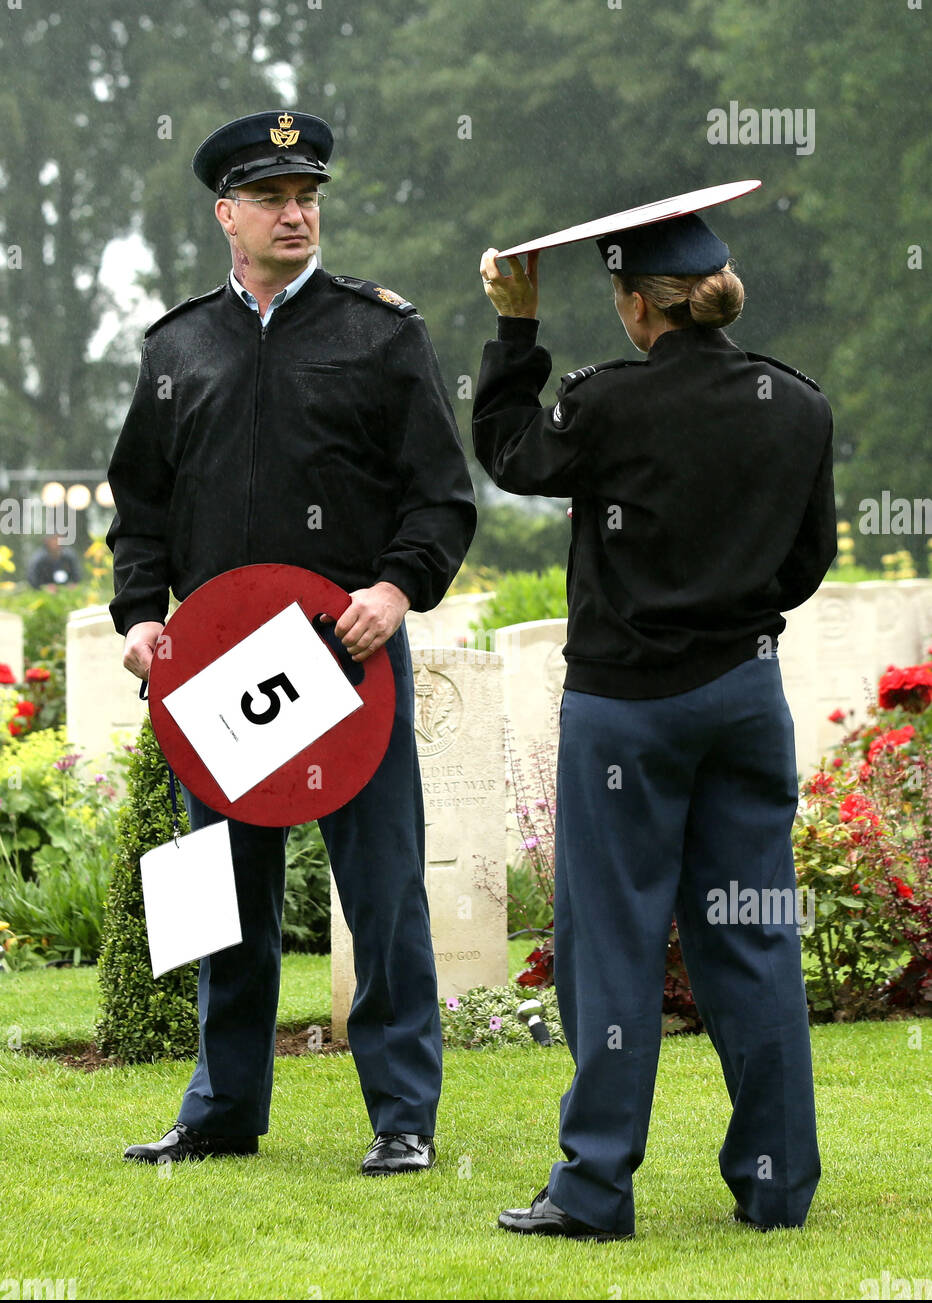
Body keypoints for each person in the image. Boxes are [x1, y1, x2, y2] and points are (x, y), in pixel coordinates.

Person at [106, 111, 476, 1174]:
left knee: (383, 891)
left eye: (306, 194)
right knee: (212, 893)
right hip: (214, 671)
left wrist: (396, 590)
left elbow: (439, 497)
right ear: (227, 214)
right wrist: (140, 615)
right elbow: (140, 508)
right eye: (270, 197)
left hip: (345, 655)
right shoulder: (176, 347)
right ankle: (220, 1106)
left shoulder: (380, 332)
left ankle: (402, 1115)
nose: (295, 212)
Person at [473, 205, 836, 1239]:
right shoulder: (796, 406)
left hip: (625, 712)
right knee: (754, 937)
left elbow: (510, 453)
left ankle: (592, 1190)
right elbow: (803, 564)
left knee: (612, 946)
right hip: (743, 698)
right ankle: (772, 1189)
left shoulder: (605, 405)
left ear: (637, 307)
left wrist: (514, 330)